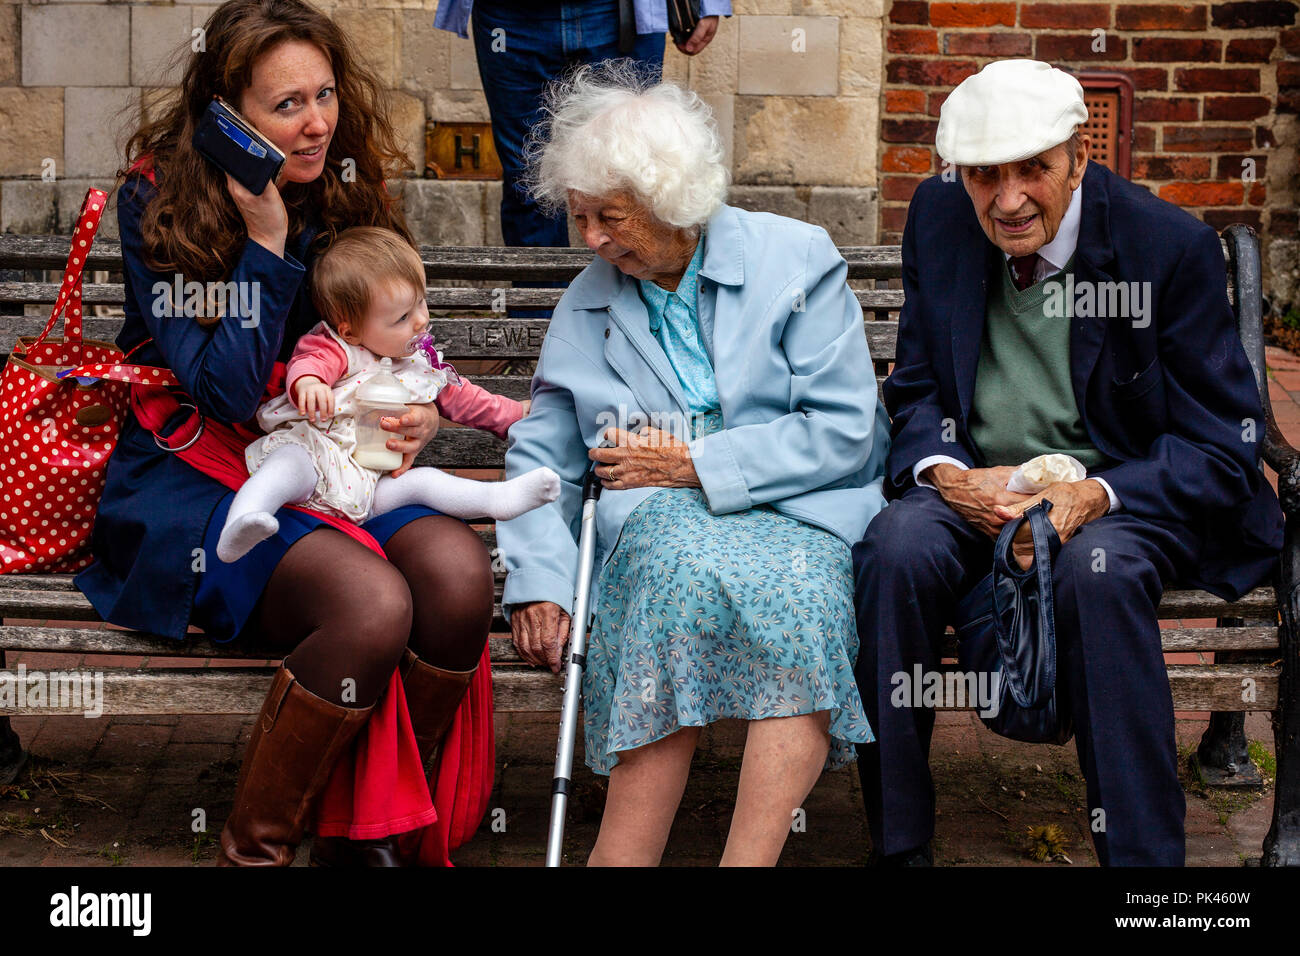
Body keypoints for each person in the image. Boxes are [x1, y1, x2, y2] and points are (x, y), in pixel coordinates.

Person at [75, 0, 496, 867]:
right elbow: (224, 391)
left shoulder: (344, 183)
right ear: (226, 114)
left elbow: (396, 331)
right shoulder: (157, 198)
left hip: (333, 457)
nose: (316, 125)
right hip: (200, 479)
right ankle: (253, 851)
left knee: (455, 578)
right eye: (287, 105)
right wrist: (266, 244)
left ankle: (361, 832)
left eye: (325, 95)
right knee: (372, 605)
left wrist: (412, 403)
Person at [852, 58, 1284, 867]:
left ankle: (1147, 875)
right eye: (984, 175)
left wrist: (1091, 492)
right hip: (978, 485)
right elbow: (913, 389)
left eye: (1033, 172)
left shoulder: (1168, 247)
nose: (1007, 199)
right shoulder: (940, 219)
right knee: (893, 549)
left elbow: (1226, 446)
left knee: (1098, 571)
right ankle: (900, 850)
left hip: (1125, 494)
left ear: (1079, 157)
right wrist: (943, 473)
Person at [495, 63, 889, 866]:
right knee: (673, 576)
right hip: (657, 523)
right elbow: (544, 454)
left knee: (802, 597)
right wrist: (536, 576)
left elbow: (847, 430)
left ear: (674, 201)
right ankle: (622, 855)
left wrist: (697, 463)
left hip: (798, 509)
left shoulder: (796, 260)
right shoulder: (589, 300)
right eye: (580, 217)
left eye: (612, 216)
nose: (593, 240)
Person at [217, 226, 558, 561]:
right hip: (316, 462)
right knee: (287, 465)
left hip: (369, 486)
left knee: (425, 483)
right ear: (350, 330)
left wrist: (515, 415)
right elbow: (309, 363)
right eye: (402, 317)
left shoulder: (421, 364)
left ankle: (496, 500)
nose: (422, 321)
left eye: (421, 303)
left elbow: (465, 399)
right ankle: (245, 519)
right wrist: (309, 385)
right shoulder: (339, 349)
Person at [437, 0, 729, 315]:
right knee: (526, 184)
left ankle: (635, 329)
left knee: (636, 174)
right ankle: (540, 337)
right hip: (510, 18)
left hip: (618, 12)